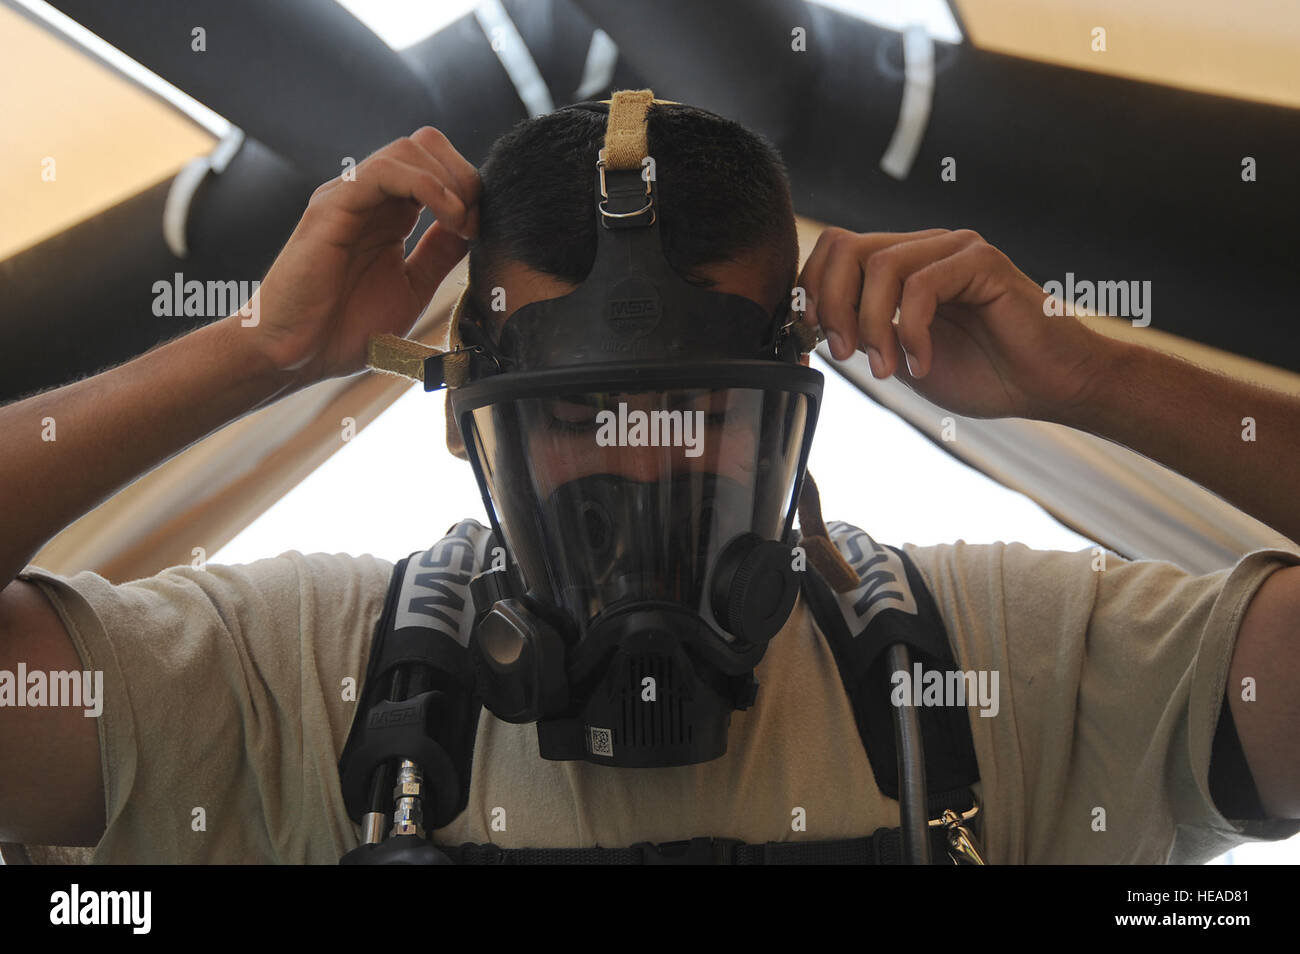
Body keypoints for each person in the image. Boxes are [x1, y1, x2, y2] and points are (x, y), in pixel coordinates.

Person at [1, 100, 1297, 864]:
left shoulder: (1003, 665)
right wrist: (257, 352)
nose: (640, 459)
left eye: (700, 410)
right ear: (469, 423)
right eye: (575, 416)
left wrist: (1092, 377)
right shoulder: (295, 677)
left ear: (793, 411)